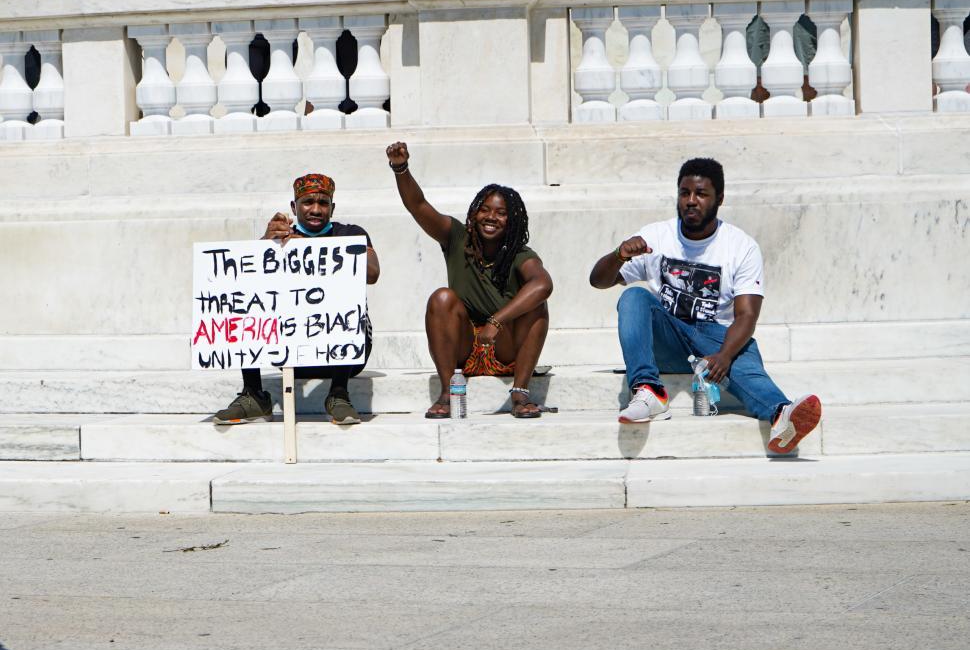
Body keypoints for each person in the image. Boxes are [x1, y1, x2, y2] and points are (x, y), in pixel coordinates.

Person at [588, 158, 822, 455]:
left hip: (714, 339)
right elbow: (598, 280)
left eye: (700, 194)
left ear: (719, 199)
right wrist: (619, 254)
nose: (691, 201)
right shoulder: (656, 236)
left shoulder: (741, 246)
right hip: (669, 338)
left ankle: (781, 414)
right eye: (684, 193)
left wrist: (724, 356)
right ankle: (649, 391)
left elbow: (747, 315)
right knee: (634, 297)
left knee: (743, 352)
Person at [386, 141, 552, 418]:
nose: (491, 217)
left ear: (512, 222)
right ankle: (447, 391)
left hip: (504, 349)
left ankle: (520, 393)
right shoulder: (456, 237)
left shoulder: (522, 255)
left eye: (501, 213)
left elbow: (543, 284)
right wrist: (400, 168)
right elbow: (417, 205)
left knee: (537, 304)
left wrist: (495, 322)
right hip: (464, 348)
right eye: (485, 209)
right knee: (442, 298)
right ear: (474, 213)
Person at [214, 173, 381, 426]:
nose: (316, 209)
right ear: (294, 207)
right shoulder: (280, 237)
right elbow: (241, 278)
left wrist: (313, 251)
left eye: (323, 203)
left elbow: (372, 273)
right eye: (307, 202)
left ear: (332, 208)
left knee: (345, 304)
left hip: (346, 355)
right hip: (291, 353)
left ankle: (338, 394)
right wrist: (265, 244)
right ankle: (254, 394)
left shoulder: (350, 234)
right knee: (246, 302)